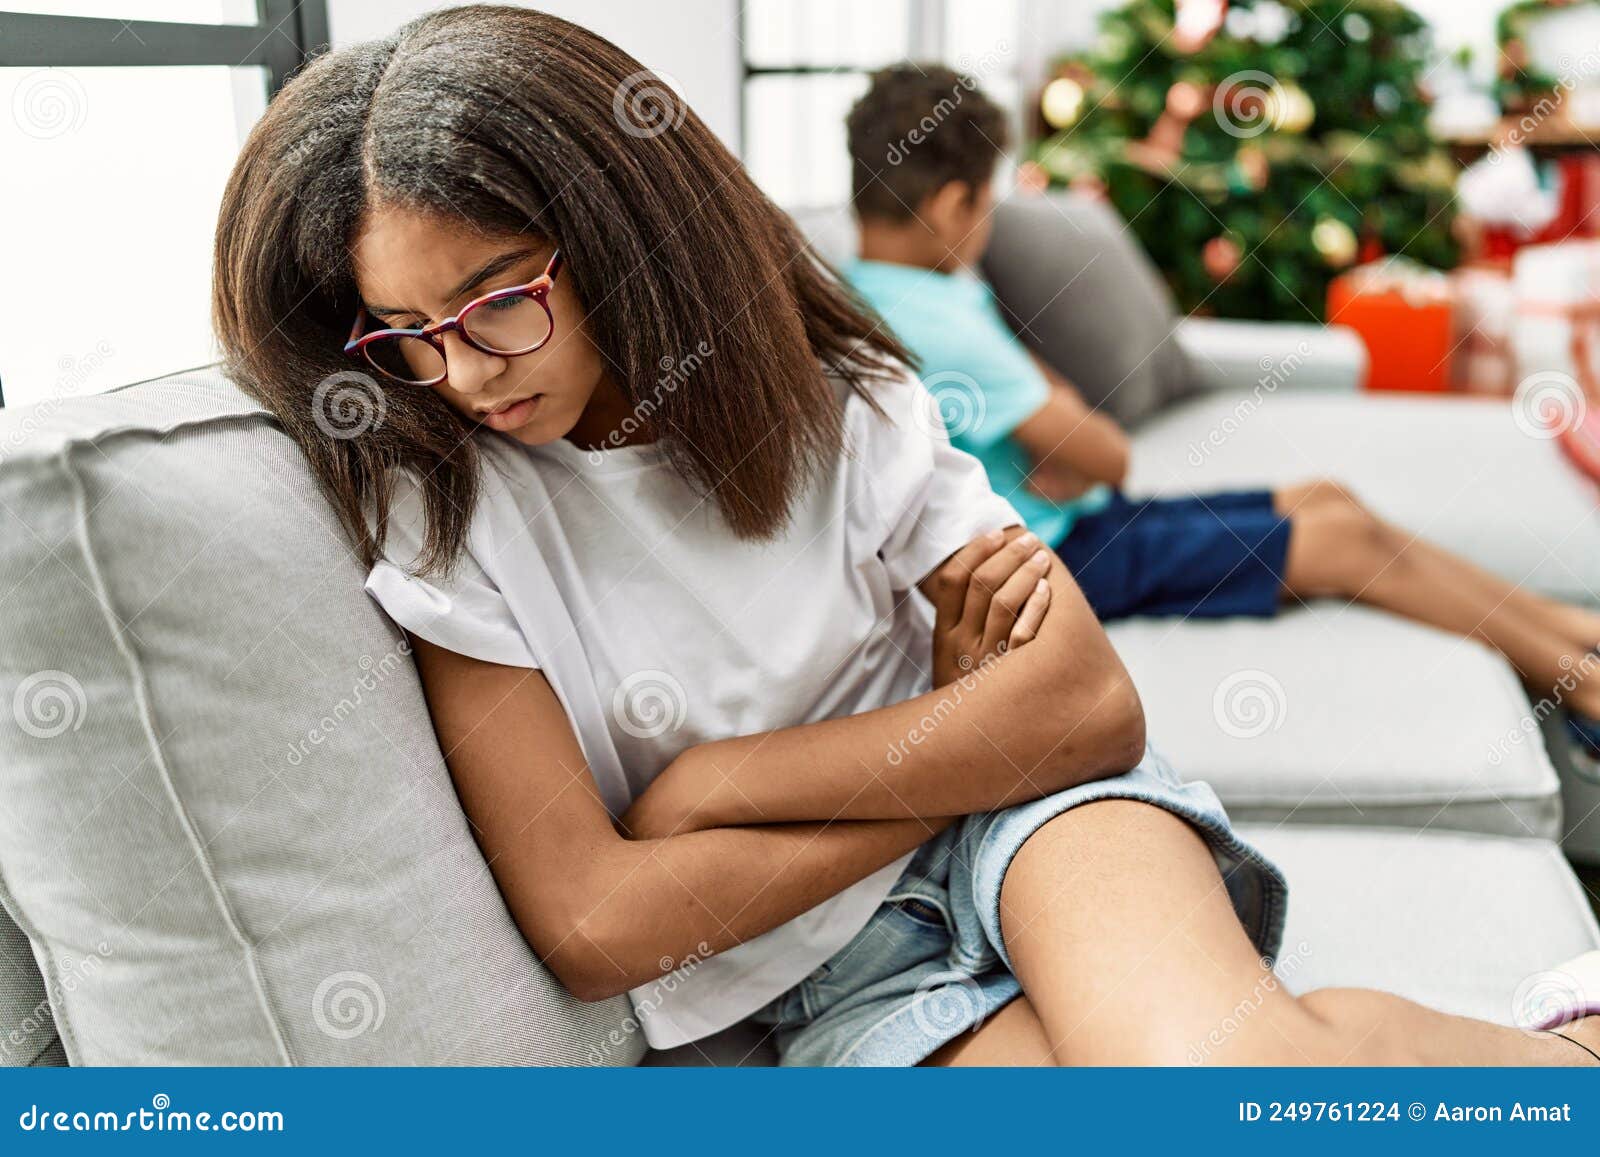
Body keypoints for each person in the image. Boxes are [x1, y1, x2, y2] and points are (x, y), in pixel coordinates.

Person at [211, 7, 1599, 1066]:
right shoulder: (446, 514)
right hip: (819, 972)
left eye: (498, 299)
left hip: (1038, 821)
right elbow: (594, 924)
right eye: (404, 335)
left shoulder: (842, 400)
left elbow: (1086, 706)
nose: (461, 373)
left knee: (1218, 1080)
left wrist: (710, 786)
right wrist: (947, 729)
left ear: (620, 238)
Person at [843, 63, 1600, 762]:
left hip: (1078, 524)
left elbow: (1069, 441)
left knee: (1330, 502)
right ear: (951, 205)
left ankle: (1578, 634)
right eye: (988, 206)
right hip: (1061, 567)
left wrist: (1064, 433)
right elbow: (1107, 454)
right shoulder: (930, 316)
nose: (990, 228)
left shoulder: (887, 286)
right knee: (1344, 541)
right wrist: (1069, 431)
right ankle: (1584, 683)